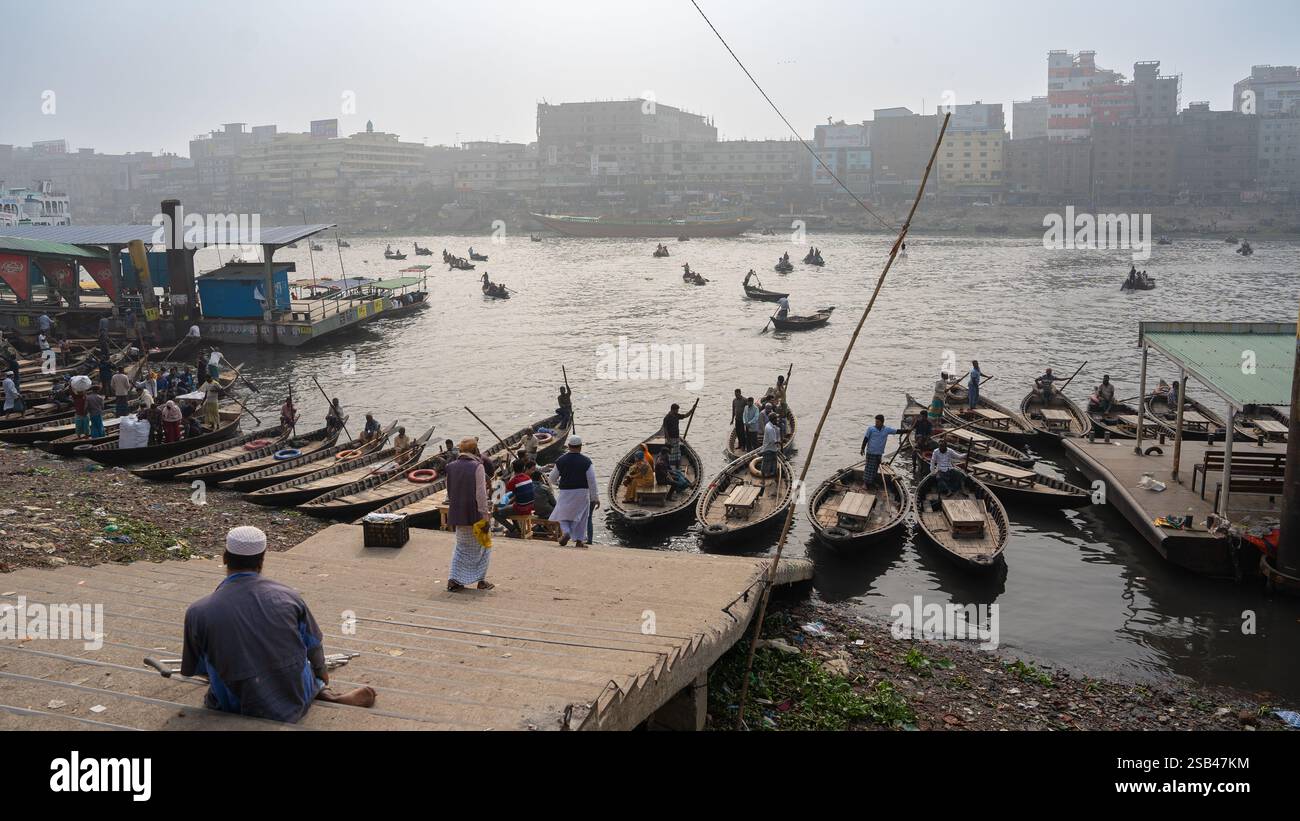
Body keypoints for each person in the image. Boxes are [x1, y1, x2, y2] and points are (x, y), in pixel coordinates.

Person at [181, 526, 376, 723]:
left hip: (238, 704)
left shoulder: (198, 611)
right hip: (295, 699)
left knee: (220, 674)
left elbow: (194, 669)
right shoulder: (288, 597)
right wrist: (321, 673)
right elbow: (313, 644)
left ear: (224, 558)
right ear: (262, 560)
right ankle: (321, 691)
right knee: (300, 664)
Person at [444, 437, 494, 591]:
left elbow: (449, 490)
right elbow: (480, 494)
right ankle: (481, 581)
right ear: (475, 450)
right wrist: (485, 514)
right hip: (474, 513)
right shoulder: (477, 466)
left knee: (460, 548)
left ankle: (453, 580)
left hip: (457, 512)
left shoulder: (450, 466)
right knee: (485, 546)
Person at [548, 435, 599, 548]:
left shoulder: (561, 460)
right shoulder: (586, 461)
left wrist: (559, 483)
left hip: (565, 492)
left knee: (563, 515)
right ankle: (579, 541)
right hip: (582, 492)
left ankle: (566, 532)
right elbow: (592, 481)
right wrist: (595, 498)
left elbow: (551, 478)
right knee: (582, 517)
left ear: (569, 446)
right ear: (580, 447)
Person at [494, 458, 537, 537]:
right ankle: (518, 529)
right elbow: (517, 494)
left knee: (495, 513)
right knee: (510, 507)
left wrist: (496, 503)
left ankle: (512, 529)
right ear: (524, 468)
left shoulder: (514, 481)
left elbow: (503, 494)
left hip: (521, 509)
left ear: (513, 469)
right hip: (530, 507)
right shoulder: (528, 478)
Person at [860, 414, 897, 486]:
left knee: (875, 468)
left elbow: (897, 431)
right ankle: (865, 483)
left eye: (878, 422)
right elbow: (866, 439)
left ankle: (872, 482)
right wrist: (862, 448)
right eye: (876, 422)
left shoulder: (886, 429)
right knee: (868, 468)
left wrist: (908, 431)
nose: (876, 423)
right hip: (871, 452)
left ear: (882, 422)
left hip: (879, 453)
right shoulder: (871, 429)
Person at [662, 402, 695, 468]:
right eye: (677, 410)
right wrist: (669, 440)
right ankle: (669, 466)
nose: (677, 411)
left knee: (677, 453)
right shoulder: (667, 418)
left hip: (676, 437)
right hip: (670, 438)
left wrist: (692, 409)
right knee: (670, 453)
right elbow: (665, 430)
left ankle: (677, 465)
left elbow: (685, 415)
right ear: (673, 410)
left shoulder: (676, 415)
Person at [760, 411, 782, 496]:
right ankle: (763, 480)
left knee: (773, 465)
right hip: (769, 449)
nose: (777, 419)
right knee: (765, 466)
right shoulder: (770, 428)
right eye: (776, 418)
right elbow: (774, 441)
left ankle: (775, 479)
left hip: (771, 449)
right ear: (773, 419)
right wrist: (780, 444)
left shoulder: (769, 425)